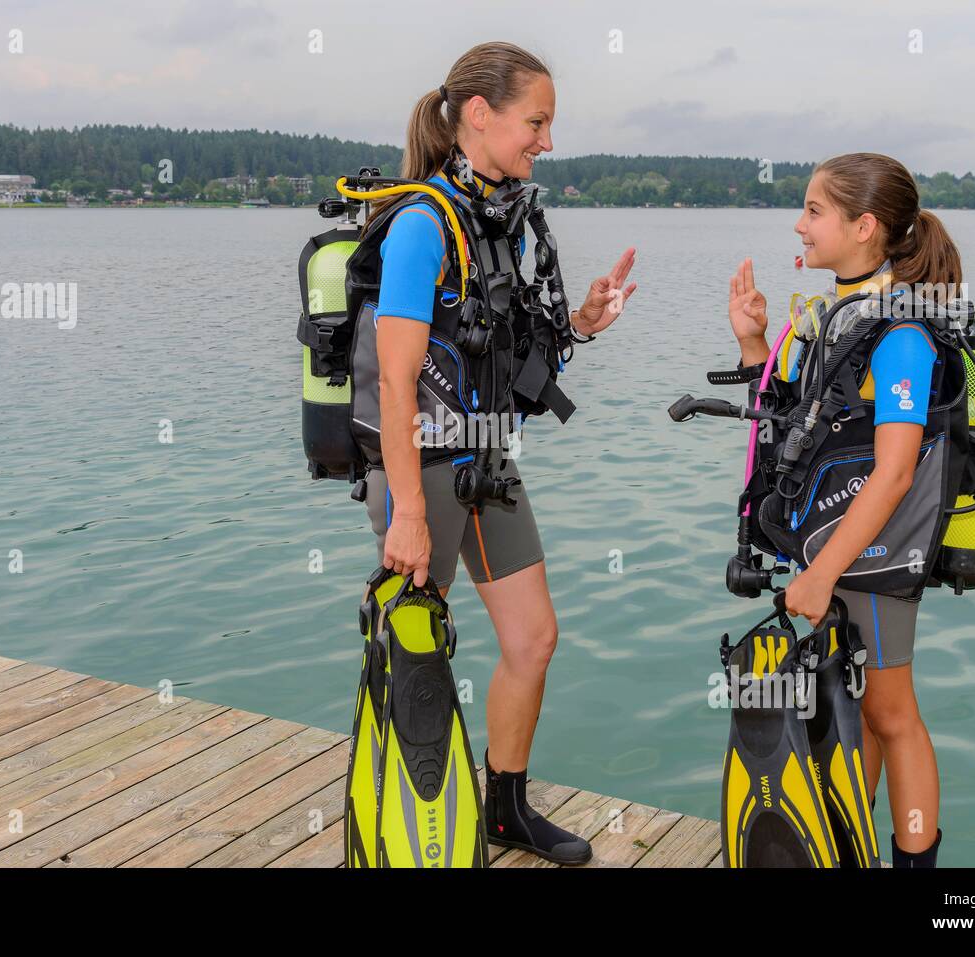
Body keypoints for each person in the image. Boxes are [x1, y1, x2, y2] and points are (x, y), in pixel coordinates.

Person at [356, 41, 636, 865]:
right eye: (536, 121)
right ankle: (405, 830)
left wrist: (580, 321)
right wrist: (407, 510)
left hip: (484, 461)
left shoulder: (493, 218)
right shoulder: (419, 225)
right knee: (416, 652)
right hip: (422, 470)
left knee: (533, 638)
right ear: (480, 115)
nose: (545, 140)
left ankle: (502, 807)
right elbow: (400, 382)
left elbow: (505, 344)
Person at [725, 153, 959, 867]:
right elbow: (799, 429)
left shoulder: (901, 338)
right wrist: (752, 341)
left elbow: (891, 475)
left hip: (875, 560)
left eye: (814, 211)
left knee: (892, 715)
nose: (799, 224)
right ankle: (852, 851)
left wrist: (823, 573)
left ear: (863, 227)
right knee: (856, 716)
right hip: (838, 549)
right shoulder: (840, 317)